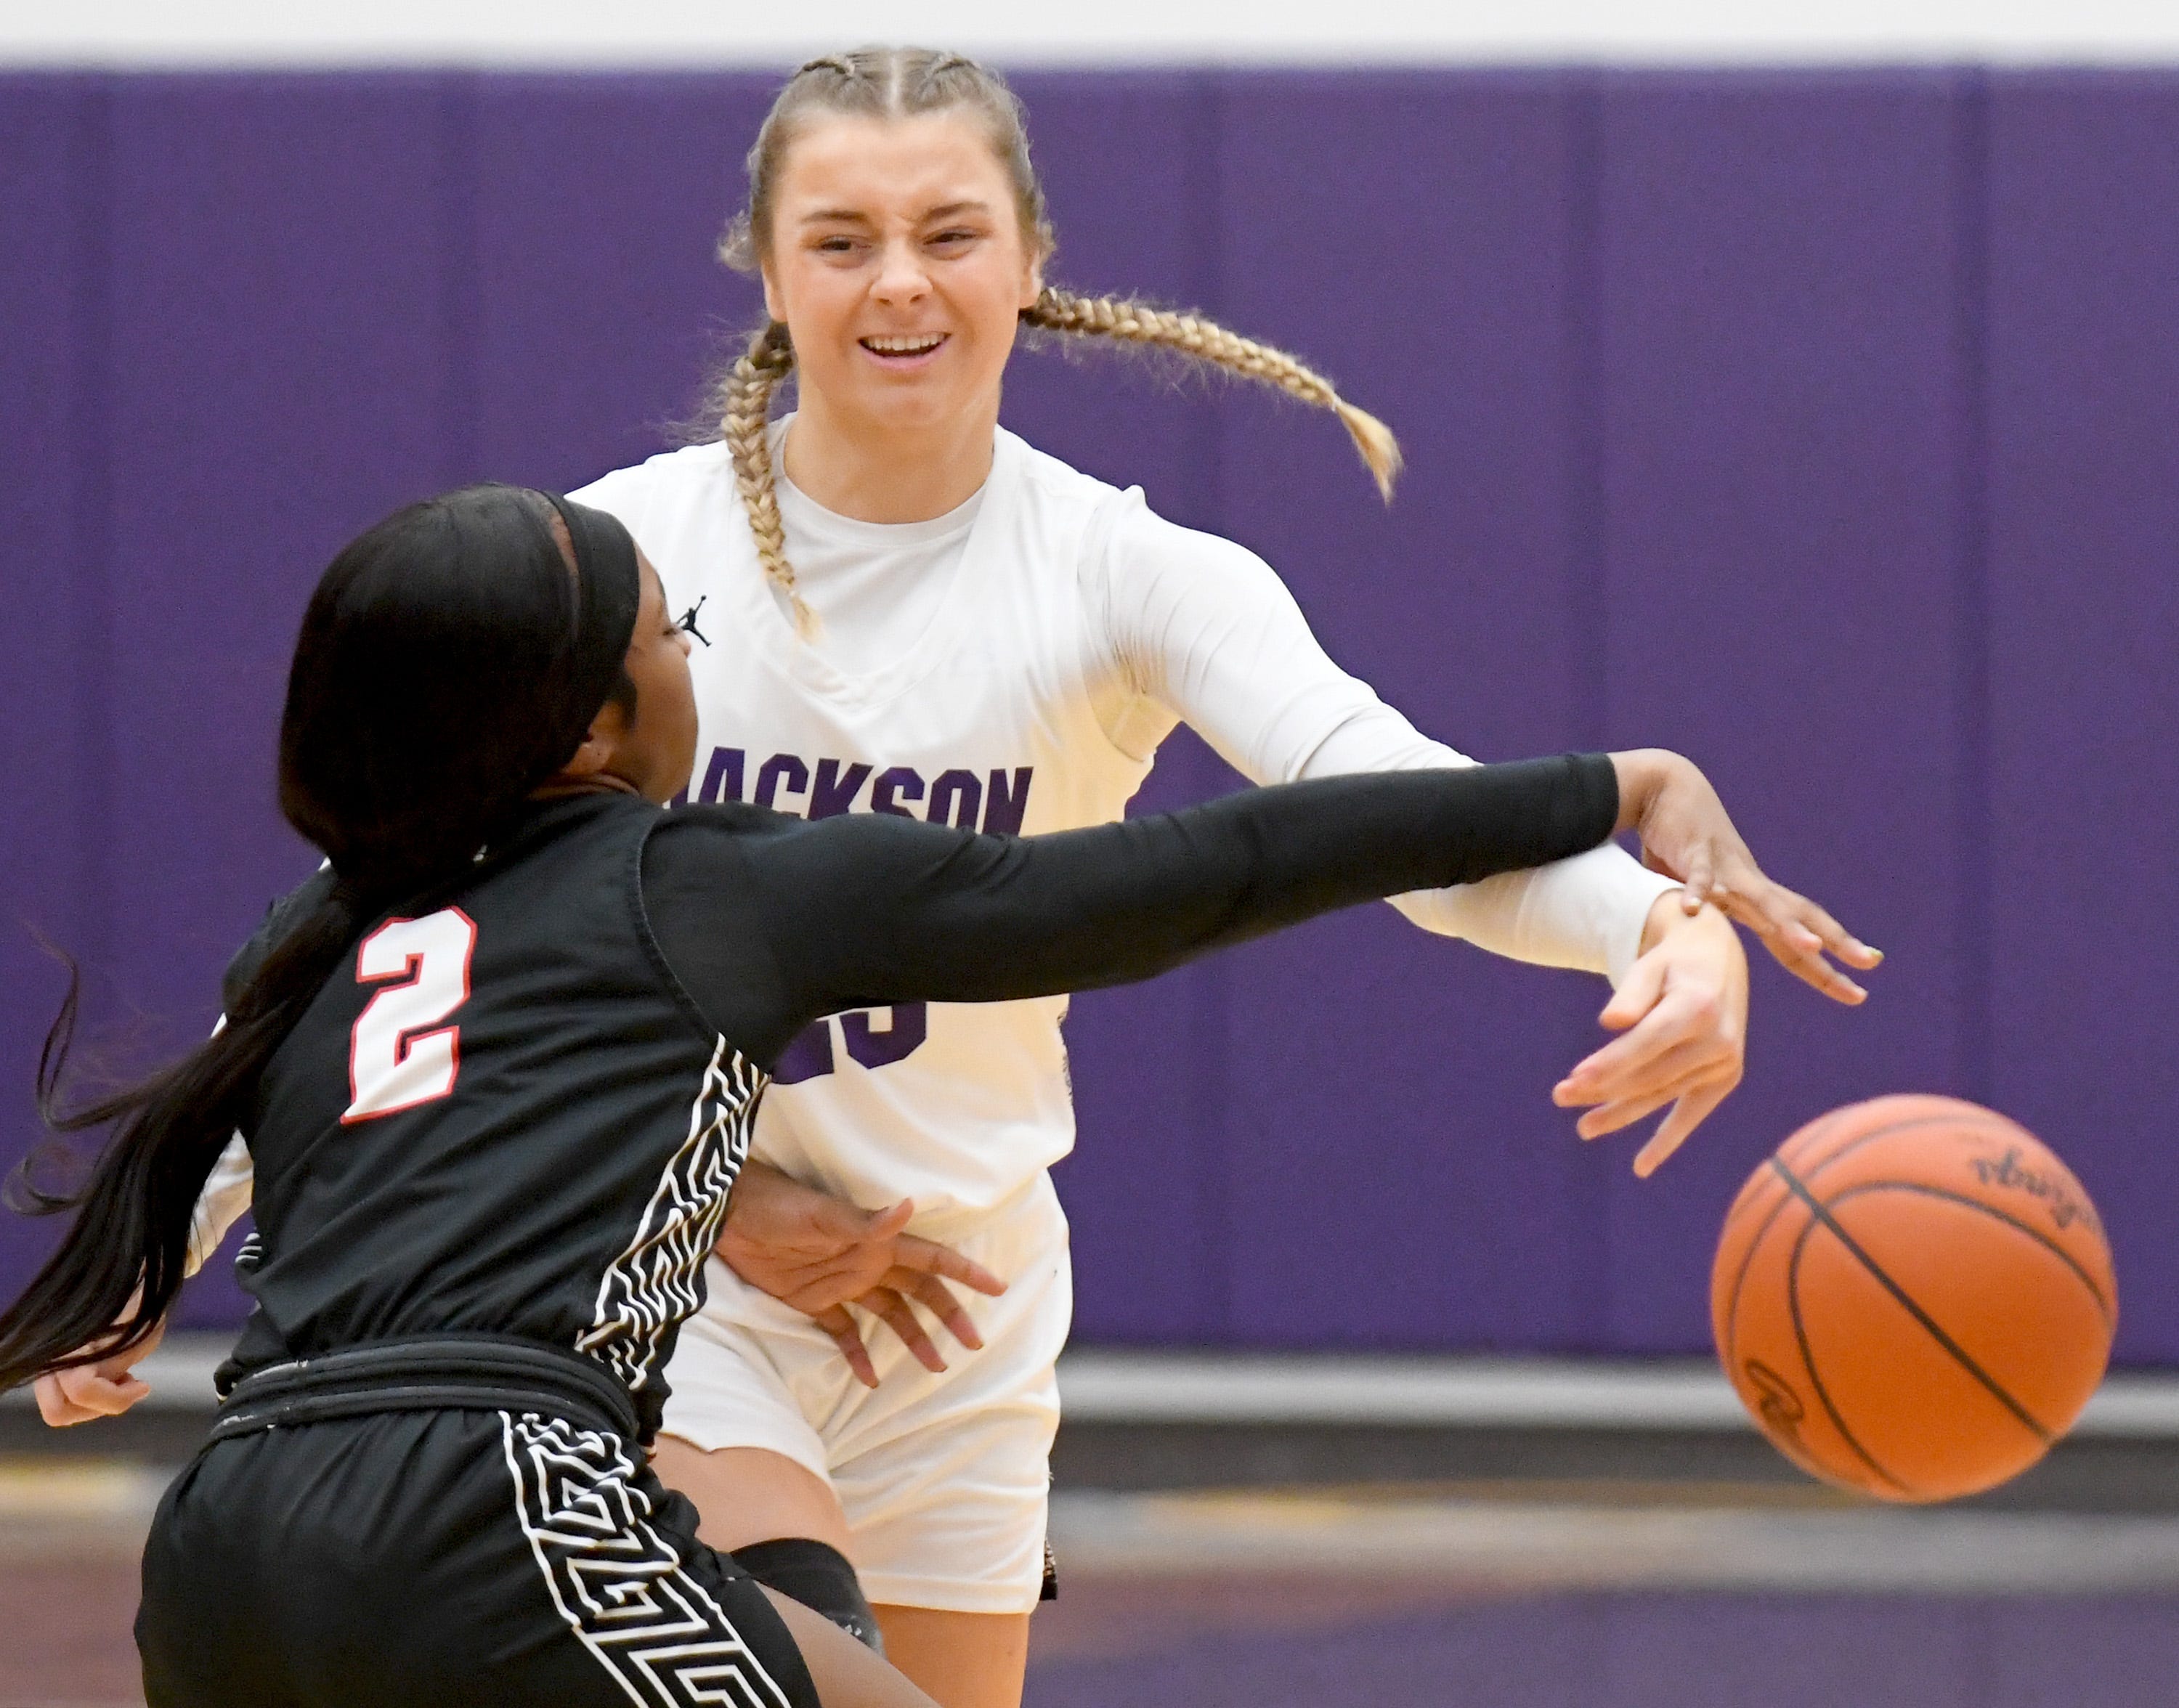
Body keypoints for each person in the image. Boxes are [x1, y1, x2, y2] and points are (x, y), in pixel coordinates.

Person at [157, 45, 1880, 1708]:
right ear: (768, 270)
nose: (897, 282)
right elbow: (393, 948)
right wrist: (184, 1233)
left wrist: (1645, 922)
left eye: (948, 233)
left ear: (1033, 261)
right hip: (659, 1290)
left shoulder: (1121, 571)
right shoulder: (618, 565)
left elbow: (1363, 794)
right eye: (840, 240)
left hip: (957, 1304)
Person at [9, 483, 1702, 1707]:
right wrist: (1597, 788)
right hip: (492, 1508)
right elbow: (1221, 862)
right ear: (591, 726)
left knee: (780, 1595)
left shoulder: (313, 927)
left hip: (224, 1545)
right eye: (676, 638)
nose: (698, 664)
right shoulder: (697, 882)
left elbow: (269, 1151)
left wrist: (130, 1284)